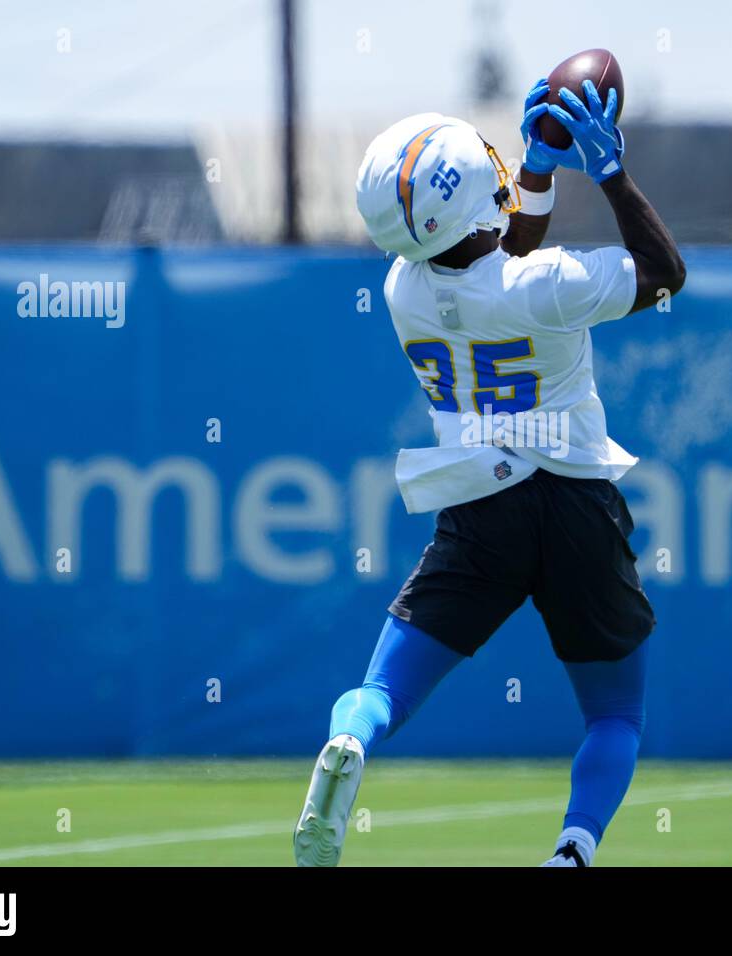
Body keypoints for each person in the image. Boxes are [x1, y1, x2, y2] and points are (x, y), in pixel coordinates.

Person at [294, 76, 685, 867]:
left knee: (383, 691)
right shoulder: (547, 287)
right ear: (474, 202)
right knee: (614, 715)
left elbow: (493, 259)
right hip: (577, 503)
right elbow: (664, 270)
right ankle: (572, 852)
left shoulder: (403, 288)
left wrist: (536, 172)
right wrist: (609, 172)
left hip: (481, 505)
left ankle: (348, 740)